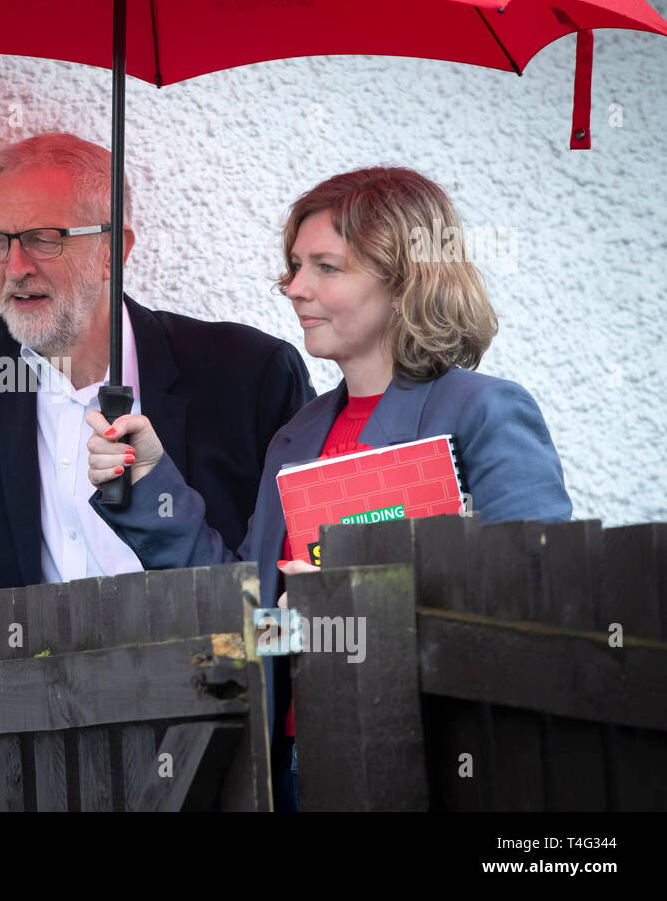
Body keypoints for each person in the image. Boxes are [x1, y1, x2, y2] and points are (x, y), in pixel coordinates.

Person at [85, 166, 572, 810]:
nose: (295, 288)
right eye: (294, 266)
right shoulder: (299, 432)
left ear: (406, 282)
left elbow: (534, 600)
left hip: (432, 760)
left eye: (327, 267)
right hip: (289, 764)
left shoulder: (482, 412)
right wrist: (148, 478)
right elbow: (246, 605)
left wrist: (346, 612)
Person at [0, 132, 315, 652]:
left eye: (43, 238)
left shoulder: (246, 372)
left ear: (113, 251)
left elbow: (292, 570)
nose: (15, 267)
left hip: (207, 697)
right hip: (26, 710)